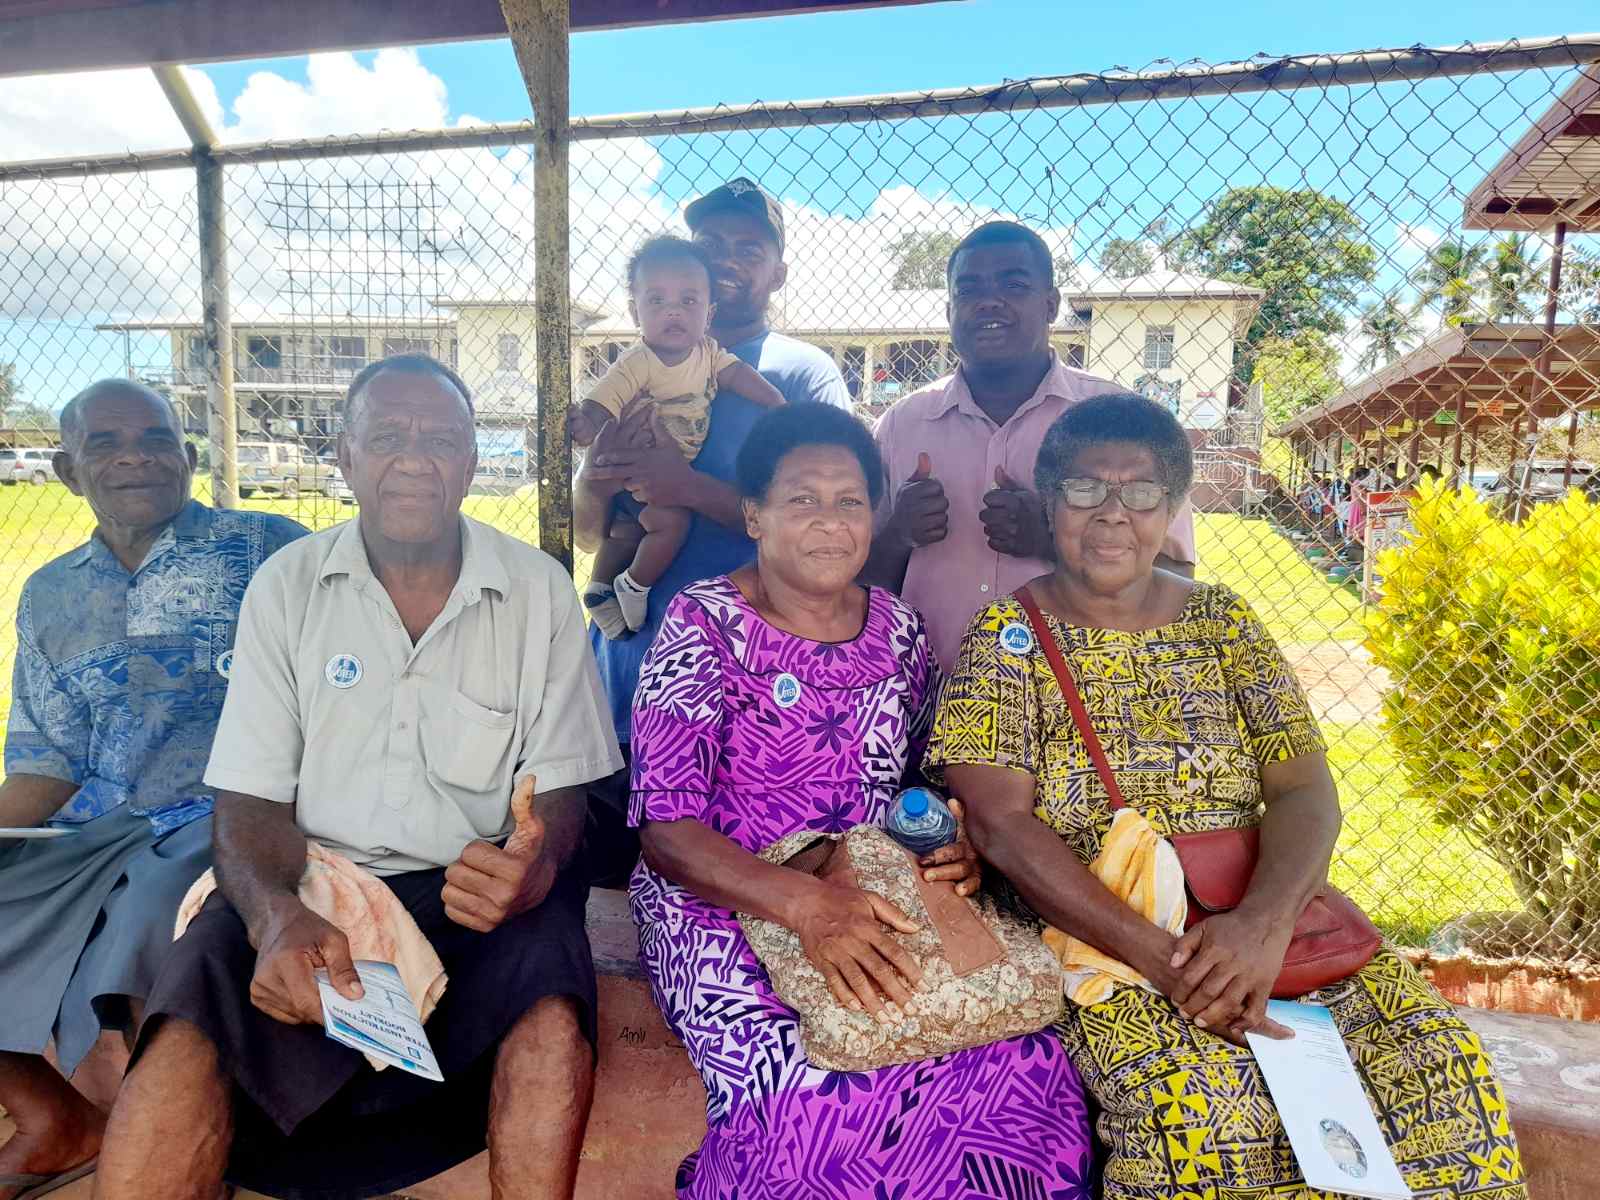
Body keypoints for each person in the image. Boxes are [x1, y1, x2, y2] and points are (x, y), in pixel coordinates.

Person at [924, 393, 1526, 1199]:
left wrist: (1260, 929)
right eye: (1084, 490)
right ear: (1049, 502)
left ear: (1171, 508)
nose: (1112, 515)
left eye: (1140, 493)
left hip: (1274, 929)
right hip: (1113, 947)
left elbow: (1306, 789)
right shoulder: (1008, 638)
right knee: (1204, 1116)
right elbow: (1000, 825)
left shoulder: (1223, 621)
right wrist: (1168, 963)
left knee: (1441, 1076)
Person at [91, 355, 624, 1200]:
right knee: (194, 1004)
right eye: (388, 437)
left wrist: (537, 866)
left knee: (551, 1003)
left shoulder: (537, 590)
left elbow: (562, 791)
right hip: (317, 890)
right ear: (343, 456)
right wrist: (274, 916)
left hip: (469, 893)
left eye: (440, 439)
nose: (414, 458)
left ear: (472, 463)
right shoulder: (287, 588)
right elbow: (251, 799)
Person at [628, 403, 1093, 1199]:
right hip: (727, 897)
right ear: (754, 514)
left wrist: (949, 838)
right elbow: (668, 831)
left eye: (849, 502)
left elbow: (921, 778)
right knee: (808, 1091)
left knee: (1025, 1058)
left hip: (880, 888)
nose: (828, 523)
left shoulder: (900, 630)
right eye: (801, 499)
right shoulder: (704, 623)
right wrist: (809, 909)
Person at [0, 381, 306, 1200]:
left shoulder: (270, 548)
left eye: (155, 437)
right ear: (66, 470)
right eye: (104, 443)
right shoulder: (51, 595)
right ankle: (54, 1120)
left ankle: (181, 1158)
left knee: (151, 917)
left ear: (190, 455)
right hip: (100, 825)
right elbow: (45, 763)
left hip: (235, 811)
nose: (134, 454)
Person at [576, 177, 852, 885]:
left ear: (778, 272)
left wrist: (687, 488)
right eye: (709, 244)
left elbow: (828, 530)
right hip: (629, 668)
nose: (727, 258)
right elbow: (589, 531)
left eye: (749, 247)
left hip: (748, 692)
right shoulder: (636, 368)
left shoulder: (800, 375)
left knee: (721, 890)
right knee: (611, 893)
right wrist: (598, 480)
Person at [869, 221, 1197, 671]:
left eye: (1014, 283)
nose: (988, 300)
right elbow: (855, 581)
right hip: (924, 694)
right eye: (969, 289)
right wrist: (898, 536)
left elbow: (1178, 577)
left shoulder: (1122, 422)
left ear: (1051, 304)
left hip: (1076, 695)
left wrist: (1056, 542)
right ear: (950, 310)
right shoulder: (902, 425)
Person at [572, 235, 785, 639]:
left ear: (709, 313)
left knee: (626, 530)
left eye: (688, 302)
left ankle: (601, 589)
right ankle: (634, 586)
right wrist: (586, 425)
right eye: (658, 302)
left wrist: (775, 401)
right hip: (635, 466)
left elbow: (737, 375)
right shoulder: (637, 362)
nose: (674, 312)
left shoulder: (708, 352)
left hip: (662, 476)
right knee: (671, 522)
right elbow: (602, 403)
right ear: (636, 312)